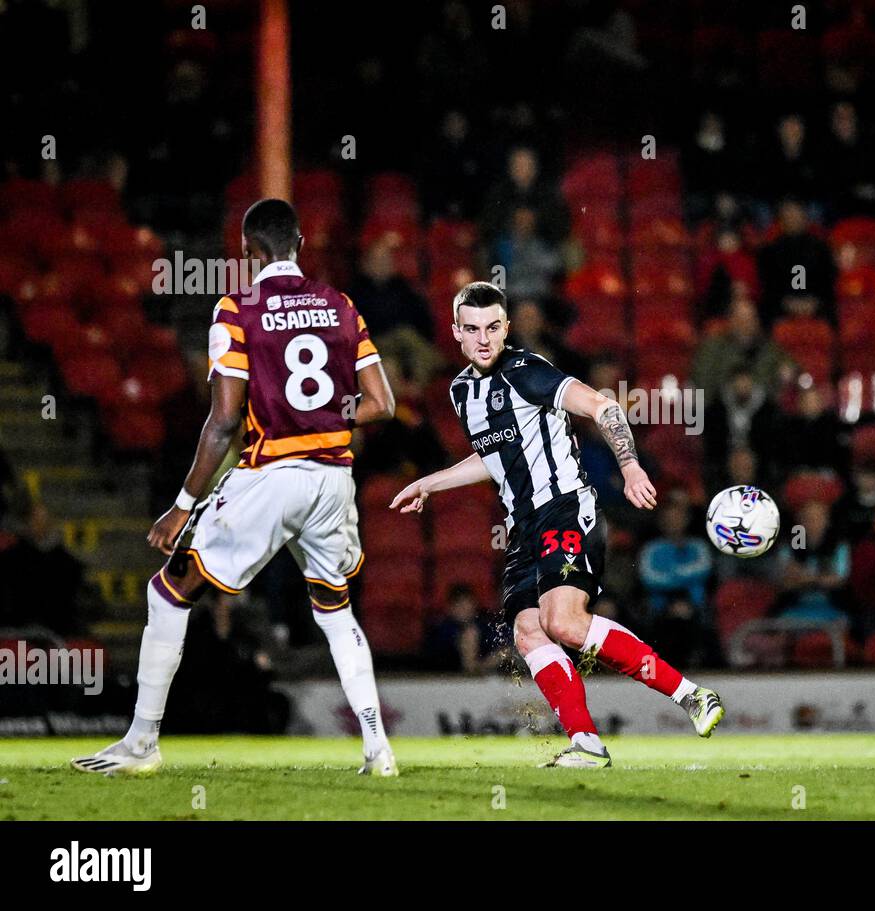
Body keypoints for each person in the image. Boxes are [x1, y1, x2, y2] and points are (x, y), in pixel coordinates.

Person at [73, 199, 401, 776]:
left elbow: (223, 421)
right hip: (333, 480)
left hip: (272, 476)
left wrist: (180, 506)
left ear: (249, 251)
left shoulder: (237, 308)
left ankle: (142, 743)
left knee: (170, 590)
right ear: (300, 242)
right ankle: (378, 748)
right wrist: (327, 415)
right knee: (334, 611)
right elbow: (383, 404)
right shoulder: (340, 304)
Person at [390, 282, 724, 767]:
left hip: (566, 508)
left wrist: (629, 465)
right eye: (472, 329)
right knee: (529, 632)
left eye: (492, 328)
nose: (483, 339)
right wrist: (429, 483)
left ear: (506, 329)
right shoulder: (461, 391)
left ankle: (691, 695)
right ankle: (587, 744)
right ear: (456, 332)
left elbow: (604, 407)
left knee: (562, 622)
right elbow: (496, 460)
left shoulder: (526, 372)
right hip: (524, 529)